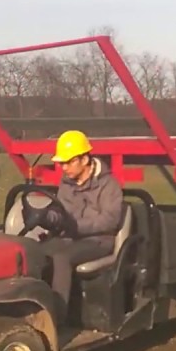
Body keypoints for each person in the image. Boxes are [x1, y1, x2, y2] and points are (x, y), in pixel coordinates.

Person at [38, 129, 123, 318]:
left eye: (68, 162)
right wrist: (50, 218)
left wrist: (77, 226)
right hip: (70, 237)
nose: (64, 167)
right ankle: (34, 310)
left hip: (99, 240)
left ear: (84, 160)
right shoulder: (67, 184)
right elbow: (61, 209)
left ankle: (56, 318)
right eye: (62, 163)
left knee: (61, 258)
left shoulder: (109, 185)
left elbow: (110, 220)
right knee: (36, 251)